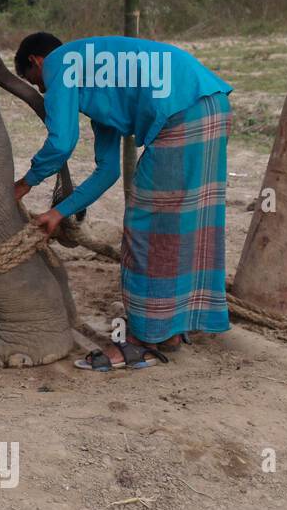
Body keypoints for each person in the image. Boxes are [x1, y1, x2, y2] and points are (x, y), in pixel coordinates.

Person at [12, 32, 234, 371]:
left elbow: (61, 143)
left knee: (145, 229)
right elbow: (107, 172)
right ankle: (168, 332)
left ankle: (140, 343)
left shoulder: (59, 63)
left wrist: (23, 185)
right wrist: (58, 213)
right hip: (209, 104)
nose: (45, 92)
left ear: (36, 62)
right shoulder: (101, 79)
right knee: (182, 224)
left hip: (182, 113)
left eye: (37, 83)